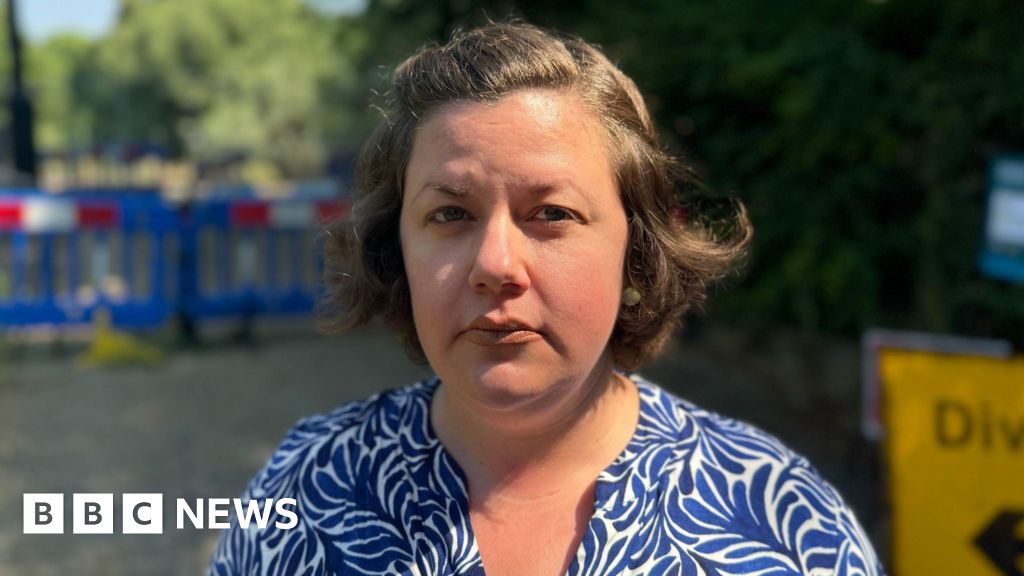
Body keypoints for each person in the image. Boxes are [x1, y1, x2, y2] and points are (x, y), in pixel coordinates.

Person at [210, 22, 885, 576]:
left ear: (637, 251)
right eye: (450, 215)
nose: (496, 265)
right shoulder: (305, 485)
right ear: (396, 251)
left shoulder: (784, 521)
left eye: (552, 213)